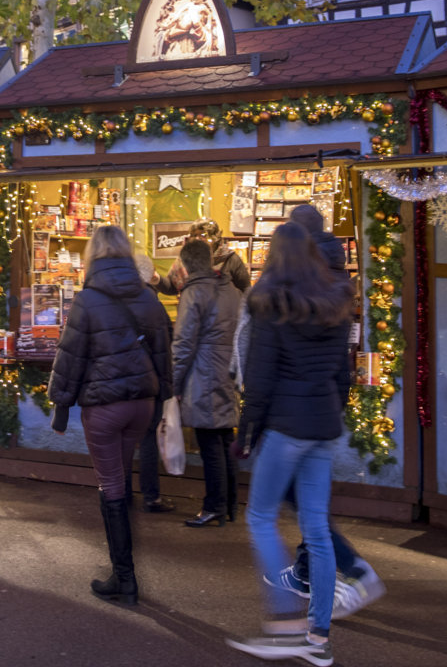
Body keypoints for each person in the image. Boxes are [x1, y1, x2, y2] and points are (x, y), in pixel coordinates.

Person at [226, 222, 354, 667]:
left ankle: (284, 625)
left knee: (260, 517)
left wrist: (246, 434)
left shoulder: (271, 306)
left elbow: (259, 381)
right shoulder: (336, 303)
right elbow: (343, 372)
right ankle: (319, 635)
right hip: (323, 425)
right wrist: (334, 408)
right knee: (316, 530)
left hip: (285, 426)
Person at [49, 224, 173, 607]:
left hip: (105, 405)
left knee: (111, 486)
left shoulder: (88, 301)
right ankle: (124, 571)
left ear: (93, 257)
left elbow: (71, 356)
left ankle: (125, 578)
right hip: (141, 404)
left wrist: (61, 405)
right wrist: (164, 398)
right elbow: (163, 352)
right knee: (121, 475)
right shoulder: (148, 298)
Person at [273, 203, 386, 618]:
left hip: (298, 409)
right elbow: (338, 355)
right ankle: (309, 572)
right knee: (307, 496)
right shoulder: (337, 277)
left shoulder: (301, 279)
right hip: (323, 406)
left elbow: (288, 352)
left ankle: (352, 572)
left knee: (299, 498)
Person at [172, 238, 241, 527]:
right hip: (228, 373)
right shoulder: (232, 290)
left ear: (186, 265)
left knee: (211, 443)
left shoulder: (195, 292)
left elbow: (183, 344)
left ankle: (214, 505)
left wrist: (172, 385)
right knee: (225, 440)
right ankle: (229, 504)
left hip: (203, 375)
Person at [126, 251, 175, 513]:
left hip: (121, 384)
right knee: (147, 440)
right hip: (148, 381)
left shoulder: (112, 300)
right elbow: (165, 344)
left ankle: (119, 493)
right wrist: (167, 387)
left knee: (123, 440)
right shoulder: (152, 302)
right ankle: (151, 496)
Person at [157, 218, 250, 295]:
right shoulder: (184, 260)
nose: (197, 239)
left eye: (202, 235)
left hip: (222, 314)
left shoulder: (230, 259)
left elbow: (245, 291)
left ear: (214, 237)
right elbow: (171, 288)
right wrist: (156, 279)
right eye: (194, 235)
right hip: (193, 311)